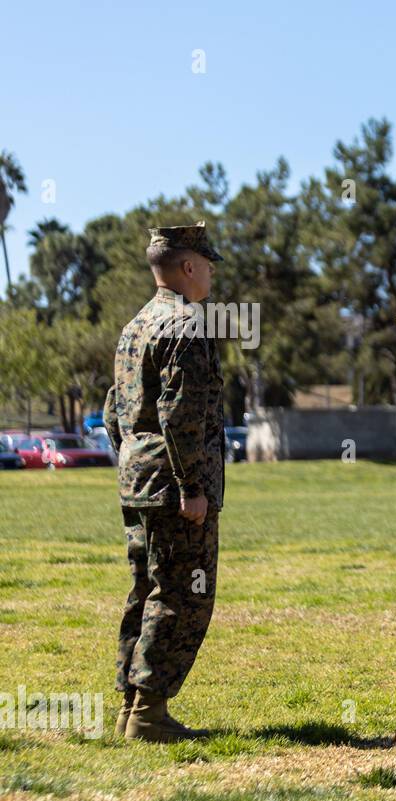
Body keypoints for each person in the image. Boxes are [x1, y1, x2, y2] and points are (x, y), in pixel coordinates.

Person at [104, 222, 225, 742]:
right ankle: (150, 713)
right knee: (181, 595)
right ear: (189, 267)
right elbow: (181, 415)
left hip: (139, 480)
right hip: (174, 489)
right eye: (209, 266)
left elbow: (114, 410)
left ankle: (130, 706)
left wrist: (133, 459)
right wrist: (190, 486)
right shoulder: (185, 327)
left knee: (146, 589)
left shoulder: (137, 325)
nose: (213, 276)